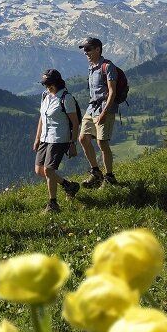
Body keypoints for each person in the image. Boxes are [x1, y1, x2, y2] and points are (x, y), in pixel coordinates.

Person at [32, 69, 81, 212]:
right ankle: (68, 186)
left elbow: (75, 123)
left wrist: (72, 143)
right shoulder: (45, 96)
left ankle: (53, 204)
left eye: (49, 84)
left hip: (59, 138)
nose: (47, 87)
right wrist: (37, 138)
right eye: (45, 84)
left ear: (56, 83)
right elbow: (42, 118)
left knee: (48, 170)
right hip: (44, 138)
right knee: (39, 170)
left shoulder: (66, 98)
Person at [77, 38, 119, 186]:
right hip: (92, 108)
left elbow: (112, 92)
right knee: (83, 138)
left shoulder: (107, 66)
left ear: (98, 49)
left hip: (104, 109)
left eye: (88, 49)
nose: (85, 52)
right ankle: (96, 173)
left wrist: (104, 113)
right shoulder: (91, 67)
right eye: (84, 50)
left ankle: (109, 177)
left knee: (102, 142)